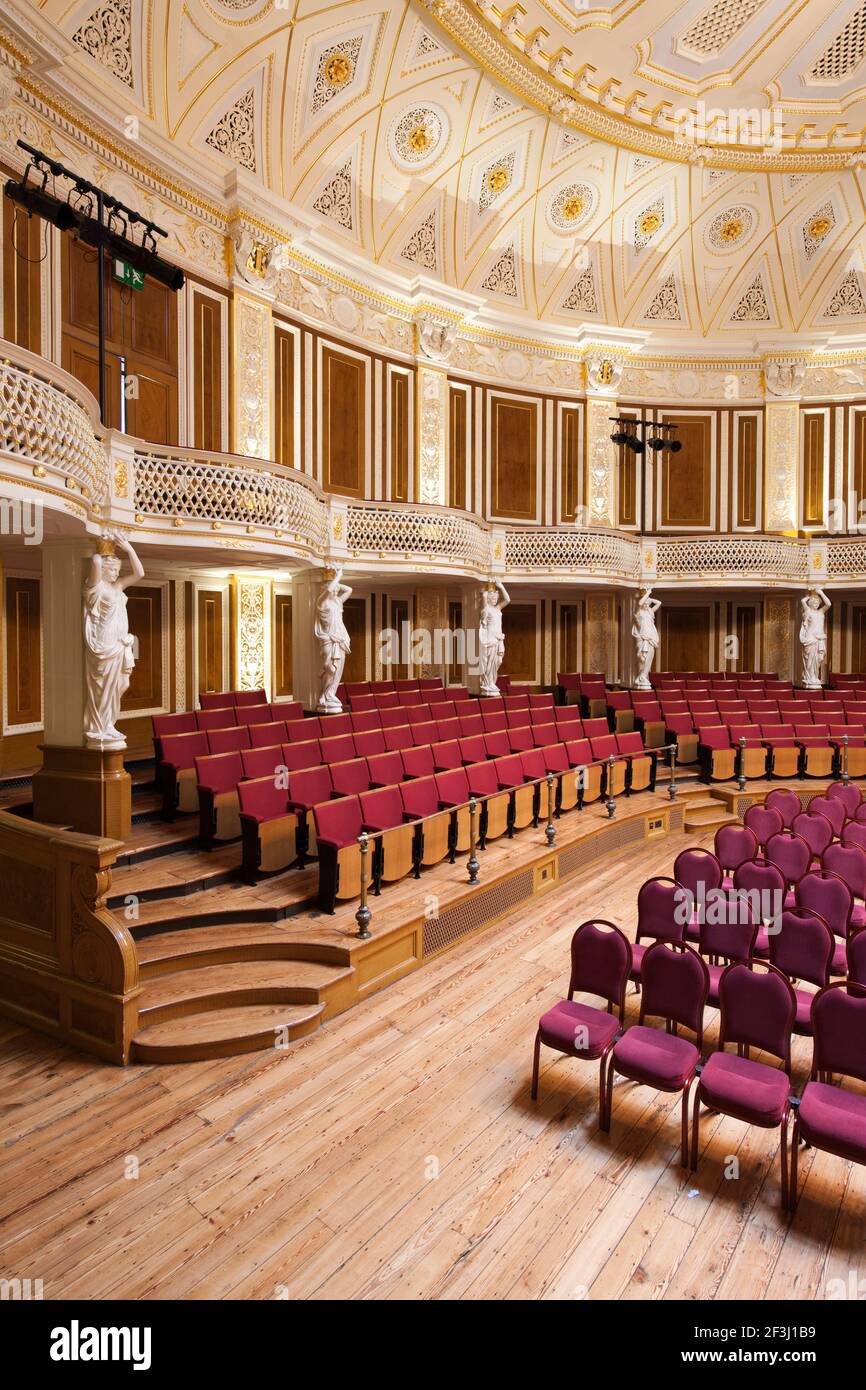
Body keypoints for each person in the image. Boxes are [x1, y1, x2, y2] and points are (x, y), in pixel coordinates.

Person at [83, 530, 144, 747]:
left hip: (119, 645)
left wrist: (129, 549)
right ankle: (100, 727)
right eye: (113, 569)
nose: (116, 574)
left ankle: (108, 723)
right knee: (102, 689)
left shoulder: (117, 587)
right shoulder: (96, 588)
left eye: (118, 570)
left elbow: (139, 574)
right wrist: (104, 545)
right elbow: (96, 561)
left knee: (121, 684)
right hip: (103, 646)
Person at [316, 565, 352, 711]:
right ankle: (324, 694)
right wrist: (338, 577)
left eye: (337, 590)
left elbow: (349, 590)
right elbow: (330, 589)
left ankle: (329, 695)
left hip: (340, 639)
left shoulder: (337, 603)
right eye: (334, 589)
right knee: (330, 668)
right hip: (328, 639)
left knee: (338, 671)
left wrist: (338, 583)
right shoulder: (322, 602)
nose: (336, 591)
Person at [478, 580, 510, 696]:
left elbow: (507, 600)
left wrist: (501, 587)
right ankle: (488, 683)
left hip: (498, 639)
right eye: (493, 598)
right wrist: (485, 593)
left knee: (498, 661)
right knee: (489, 663)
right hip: (490, 639)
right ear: (489, 599)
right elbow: (484, 600)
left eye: (496, 598)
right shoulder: (487, 609)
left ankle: (491, 681)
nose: (495, 600)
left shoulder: (498, 609)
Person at [800, 588, 830, 689]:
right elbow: (802, 601)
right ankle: (809, 678)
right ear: (811, 603)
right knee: (809, 661)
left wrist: (821, 593)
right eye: (814, 602)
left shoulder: (821, 611)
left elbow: (828, 604)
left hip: (819, 639)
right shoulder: (808, 610)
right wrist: (809, 595)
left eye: (818, 602)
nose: (816, 604)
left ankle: (815, 677)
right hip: (810, 639)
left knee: (819, 659)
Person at [632, 587, 661, 690]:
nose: (646, 605)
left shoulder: (650, 613)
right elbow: (639, 603)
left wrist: (650, 599)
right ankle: (640, 677)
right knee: (641, 658)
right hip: (642, 639)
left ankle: (643, 677)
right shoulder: (637, 614)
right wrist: (647, 593)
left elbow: (659, 603)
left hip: (650, 640)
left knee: (649, 660)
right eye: (645, 603)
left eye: (648, 604)